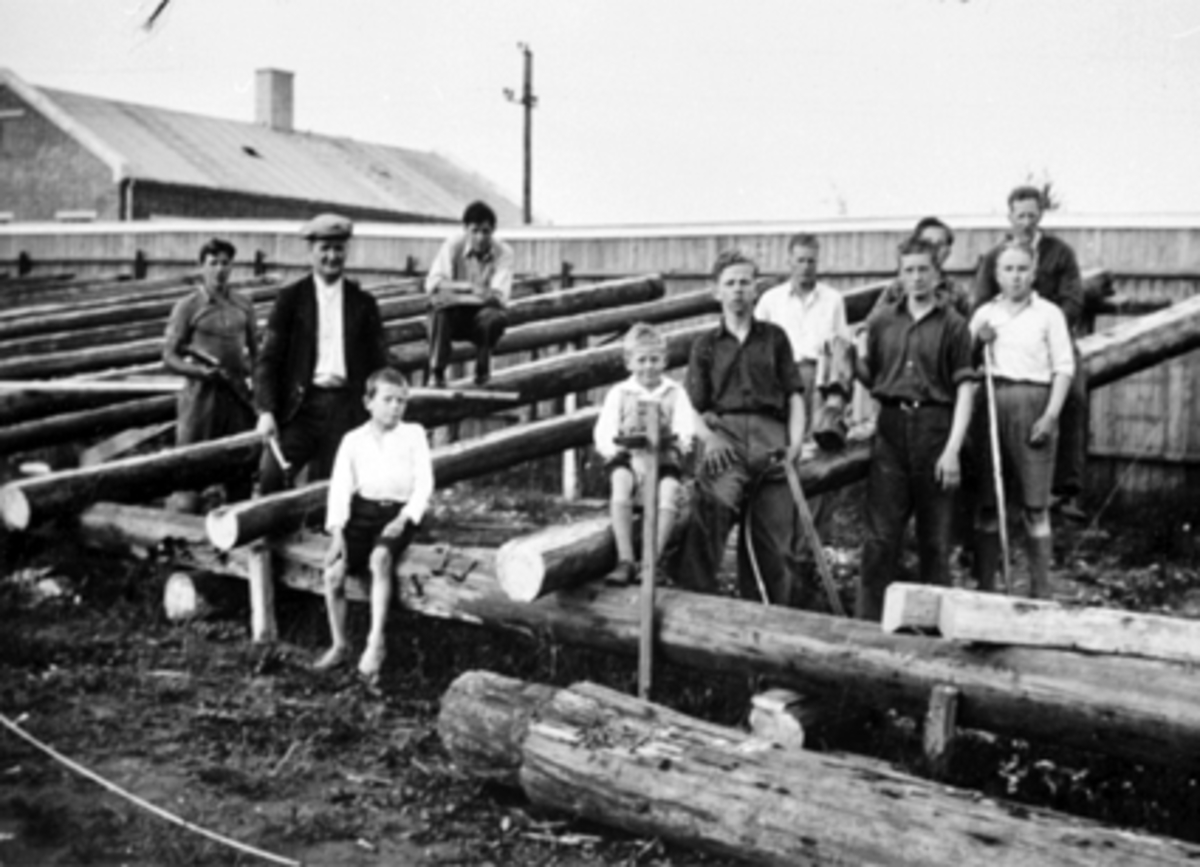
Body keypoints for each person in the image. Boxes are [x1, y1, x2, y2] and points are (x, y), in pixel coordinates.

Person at [670, 250, 807, 605]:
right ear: (717, 292)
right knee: (710, 515)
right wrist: (711, 440)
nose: (738, 290)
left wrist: (795, 444)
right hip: (725, 440)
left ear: (756, 289)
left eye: (745, 282)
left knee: (775, 544)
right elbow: (690, 408)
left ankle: (767, 621)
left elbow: (794, 396)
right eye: (729, 283)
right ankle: (692, 610)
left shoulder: (774, 338)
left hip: (770, 439)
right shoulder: (705, 345)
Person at [853, 238, 975, 621]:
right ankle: (867, 627)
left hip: (935, 431)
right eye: (909, 270)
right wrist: (847, 354)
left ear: (937, 274)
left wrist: (953, 449)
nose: (916, 277)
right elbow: (870, 376)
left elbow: (965, 389)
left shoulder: (953, 325)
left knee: (935, 542)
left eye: (924, 269)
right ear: (899, 274)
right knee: (880, 539)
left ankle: (933, 632)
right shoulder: (882, 320)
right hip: (890, 430)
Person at [254, 214, 390, 494]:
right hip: (300, 407)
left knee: (335, 490)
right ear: (310, 252)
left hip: (346, 407)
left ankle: (325, 536)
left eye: (338, 248)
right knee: (272, 476)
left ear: (346, 252)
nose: (331, 256)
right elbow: (268, 359)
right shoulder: (291, 299)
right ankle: (274, 537)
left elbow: (378, 363)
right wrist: (266, 411)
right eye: (324, 248)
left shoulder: (362, 303)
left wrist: (379, 409)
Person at [973, 186, 1087, 521]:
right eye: (1020, 215)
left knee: (1075, 393)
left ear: (1041, 216)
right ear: (1010, 216)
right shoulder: (997, 255)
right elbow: (979, 301)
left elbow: (1073, 299)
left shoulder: (1059, 252)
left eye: (1032, 215)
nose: (1026, 221)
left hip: (1051, 336)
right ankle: (985, 494)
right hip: (1005, 341)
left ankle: (1066, 488)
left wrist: (1047, 332)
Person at [969, 241, 1074, 599]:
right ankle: (986, 587)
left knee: (1034, 505)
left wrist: (1050, 416)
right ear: (997, 275)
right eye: (1008, 270)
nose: (1016, 277)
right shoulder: (985, 313)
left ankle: (1040, 593)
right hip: (992, 405)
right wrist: (976, 342)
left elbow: (1063, 368)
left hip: (1035, 405)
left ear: (1034, 272)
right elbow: (965, 364)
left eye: (1022, 269)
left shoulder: (1049, 314)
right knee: (989, 503)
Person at [314, 368, 433, 679]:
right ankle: (340, 645)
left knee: (380, 558)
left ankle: (375, 642)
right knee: (333, 575)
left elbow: (424, 485)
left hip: (399, 512)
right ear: (369, 402)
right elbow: (339, 489)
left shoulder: (414, 434)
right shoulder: (353, 441)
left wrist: (404, 517)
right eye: (388, 399)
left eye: (402, 401)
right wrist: (338, 532)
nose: (396, 407)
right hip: (362, 514)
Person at [593, 322, 696, 584]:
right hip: (629, 460)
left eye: (654, 359)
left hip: (662, 459)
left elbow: (686, 431)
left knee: (670, 489)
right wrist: (620, 451)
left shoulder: (674, 392)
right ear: (629, 362)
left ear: (664, 360)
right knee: (620, 481)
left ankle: (652, 561)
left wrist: (673, 443)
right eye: (642, 360)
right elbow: (603, 433)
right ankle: (625, 558)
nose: (648, 366)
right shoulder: (620, 393)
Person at [162, 237, 257, 511]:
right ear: (202, 266)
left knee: (240, 468)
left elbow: (256, 353)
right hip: (200, 399)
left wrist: (258, 390)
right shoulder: (188, 306)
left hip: (236, 398)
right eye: (213, 263)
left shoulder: (244, 305)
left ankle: (237, 533)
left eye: (225, 263)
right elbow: (169, 355)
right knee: (191, 470)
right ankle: (179, 535)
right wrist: (200, 372)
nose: (220, 269)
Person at [754, 233, 850, 444]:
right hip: (781, 378)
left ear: (817, 262)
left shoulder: (833, 299)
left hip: (818, 379)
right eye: (800, 260)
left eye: (811, 261)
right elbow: (756, 346)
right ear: (789, 261)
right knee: (783, 440)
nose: (806, 266)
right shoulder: (771, 300)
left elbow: (842, 344)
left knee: (814, 441)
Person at [424, 200, 514, 386]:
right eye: (475, 231)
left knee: (492, 317)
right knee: (439, 307)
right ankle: (437, 372)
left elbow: (498, 297)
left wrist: (453, 291)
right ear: (465, 229)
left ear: (493, 231)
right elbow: (433, 283)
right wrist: (470, 288)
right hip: (455, 314)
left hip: (483, 315)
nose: (480, 237)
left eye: (486, 231)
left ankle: (482, 369)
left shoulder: (504, 252)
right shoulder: (453, 245)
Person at [870, 217, 971, 318]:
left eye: (940, 244)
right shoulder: (897, 288)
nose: (934, 248)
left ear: (947, 252)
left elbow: (972, 326)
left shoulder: (956, 291)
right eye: (927, 243)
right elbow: (870, 325)